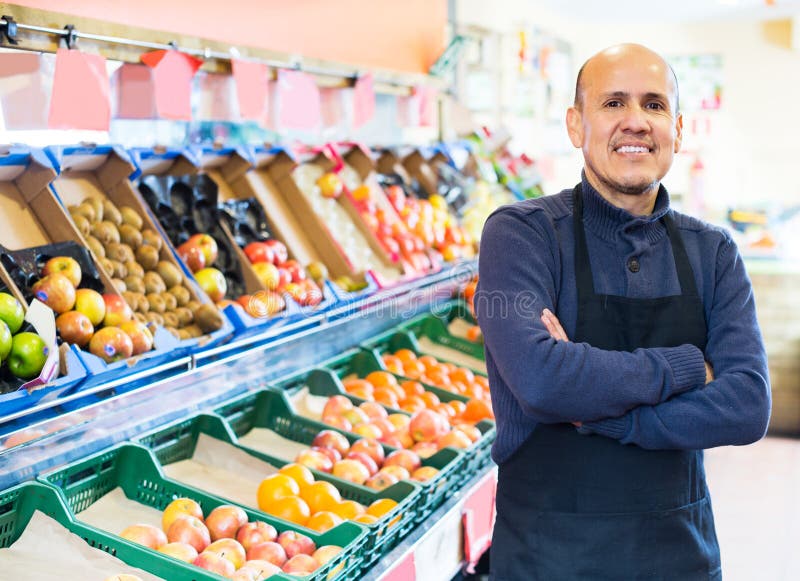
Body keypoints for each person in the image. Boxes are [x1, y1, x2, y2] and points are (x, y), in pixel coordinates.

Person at [476, 43, 771, 580]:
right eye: (613, 103)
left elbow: (748, 405)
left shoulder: (713, 252)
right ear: (575, 125)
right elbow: (542, 382)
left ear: (678, 130)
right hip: (548, 559)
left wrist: (603, 415)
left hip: (680, 558)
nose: (635, 121)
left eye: (654, 105)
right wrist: (688, 367)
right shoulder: (522, 235)